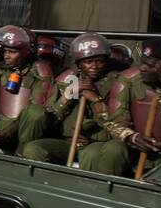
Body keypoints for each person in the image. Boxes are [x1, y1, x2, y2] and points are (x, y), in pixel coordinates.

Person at [21, 32, 127, 174]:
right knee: (33, 149)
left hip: (96, 144)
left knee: (93, 155)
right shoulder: (68, 81)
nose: (94, 66)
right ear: (79, 63)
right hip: (67, 143)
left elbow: (117, 124)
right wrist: (67, 97)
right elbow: (51, 119)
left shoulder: (115, 83)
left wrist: (95, 99)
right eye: (89, 62)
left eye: (99, 61)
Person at [98, 38, 161, 170]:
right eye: (142, 62)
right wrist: (131, 137)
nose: (143, 68)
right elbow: (114, 122)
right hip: (131, 145)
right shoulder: (127, 80)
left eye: (151, 65)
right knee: (113, 149)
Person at [0, 25, 55, 154]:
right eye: (5, 51)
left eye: (12, 52)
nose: (6, 56)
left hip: (22, 131)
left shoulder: (39, 71)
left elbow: (35, 111)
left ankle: (21, 155)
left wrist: (6, 134)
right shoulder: (1, 69)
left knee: (35, 112)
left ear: (26, 52)